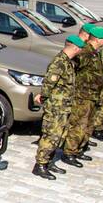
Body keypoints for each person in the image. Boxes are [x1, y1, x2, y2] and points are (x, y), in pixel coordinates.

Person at [32, 35, 83, 179]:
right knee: (51, 135)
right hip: (56, 107)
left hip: (65, 106)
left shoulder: (69, 62)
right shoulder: (59, 62)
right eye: (80, 48)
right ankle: (40, 164)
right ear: (75, 47)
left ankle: (49, 161)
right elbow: (49, 83)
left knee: (60, 135)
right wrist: (43, 96)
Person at [64, 23, 103, 158]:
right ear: (97, 39)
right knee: (78, 124)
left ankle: (79, 148)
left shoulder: (94, 53)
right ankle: (69, 152)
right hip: (82, 95)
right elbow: (71, 69)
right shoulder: (84, 52)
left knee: (88, 125)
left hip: (92, 95)